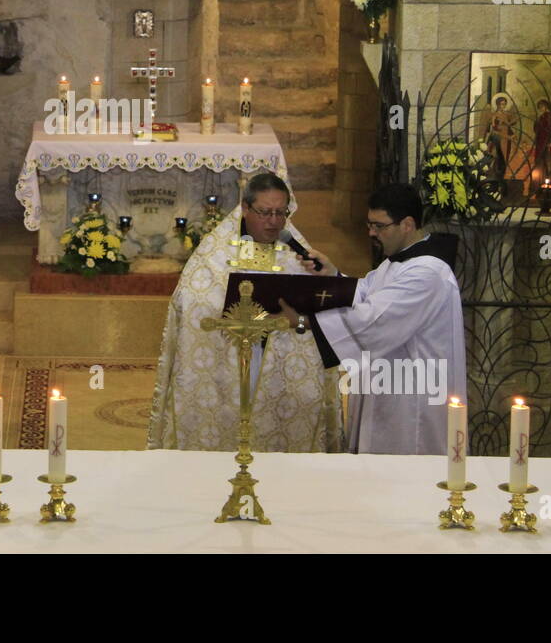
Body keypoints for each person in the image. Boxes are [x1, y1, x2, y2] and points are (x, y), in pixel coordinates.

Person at [147, 172, 342, 452]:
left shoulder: (296, 252)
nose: (274, 221)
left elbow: (323, 305)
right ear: (246, 208)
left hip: (277, 363)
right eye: (265, 212)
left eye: (280, 212)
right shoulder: (215, 251)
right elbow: (191, 296)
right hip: (225, 361)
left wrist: (324, 280)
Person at [276, 183, 465, 455]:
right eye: (369, 224)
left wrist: (303, 322)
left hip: (412, 400)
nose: (371, 233)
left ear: (408, 224)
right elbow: (365, 292)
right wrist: (333, 274)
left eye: (379, 226)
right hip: (389, 385)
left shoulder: (428, 273)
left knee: (405, 478)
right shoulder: (396, 263)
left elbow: (373, 320)